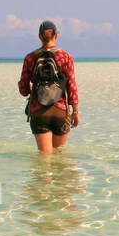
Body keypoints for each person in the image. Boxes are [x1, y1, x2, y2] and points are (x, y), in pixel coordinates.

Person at [18, 20, 79, 153]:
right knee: (60, 158)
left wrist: (31, 88)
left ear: (40, 37)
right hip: (60, 111)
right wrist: (76, 111)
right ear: (56, 36)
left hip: (38, 111)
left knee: (44, 158)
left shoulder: (30, 58)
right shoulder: (65, 57)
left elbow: (23, 89)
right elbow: (72, 85)